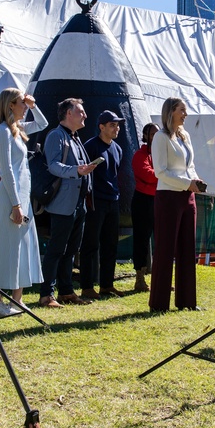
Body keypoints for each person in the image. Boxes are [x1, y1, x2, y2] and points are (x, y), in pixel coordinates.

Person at [0, 89, 47, 316]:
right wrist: (15, 205)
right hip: (11, 197)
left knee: (22, 247)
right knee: (5, 246)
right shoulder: (2, 132)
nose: (25, 106)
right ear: (10, 105)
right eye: (22, 103)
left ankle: (17, 299)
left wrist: (33, 105)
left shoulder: (17, 130)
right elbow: (7, 171)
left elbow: (42, 123)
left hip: (22, 196)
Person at [38, 98, 97, 308]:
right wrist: (76, 171)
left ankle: (66, 291)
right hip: (63, 203)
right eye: (81, 111)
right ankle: (46, 294)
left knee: (71, 250)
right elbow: (53, 165)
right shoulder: (56, 136)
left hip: (79, 203)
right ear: (68, 114)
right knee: (56, 250)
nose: (85, 115)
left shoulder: (76, 138)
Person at [149, 98, 204, 312]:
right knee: (165, 249)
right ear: (171, 112)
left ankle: (187, 301)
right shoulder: (161, 138)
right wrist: (186, 183)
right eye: (182, 110)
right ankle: (159, 303)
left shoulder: (185, 135)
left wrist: (196, 182)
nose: (186, 114)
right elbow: (160, 171)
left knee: (187, 248)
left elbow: (190, 166)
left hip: (187, 197)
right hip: (168, 197)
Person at [78, 110, 126, 300]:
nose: (117, 128)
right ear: (101, 127)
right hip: (95, 202)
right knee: (90, 244)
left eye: (118, 125)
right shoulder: (90, 146)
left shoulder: (118, 148)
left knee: (110, 244)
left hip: (112, 201)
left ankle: (107, 285)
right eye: (112, 125)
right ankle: (87, 287)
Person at [130, 123, 159, 292]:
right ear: (146, 136)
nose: (156, 137)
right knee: (141, 239)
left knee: (162, 239)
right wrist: (164, 175)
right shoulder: (140, 155)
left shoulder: (162, 154)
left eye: (158, 133)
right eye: (153, 134)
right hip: (143, 200)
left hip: (160, 199)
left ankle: (160, 277)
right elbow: (147, 175)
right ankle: (139, 279)